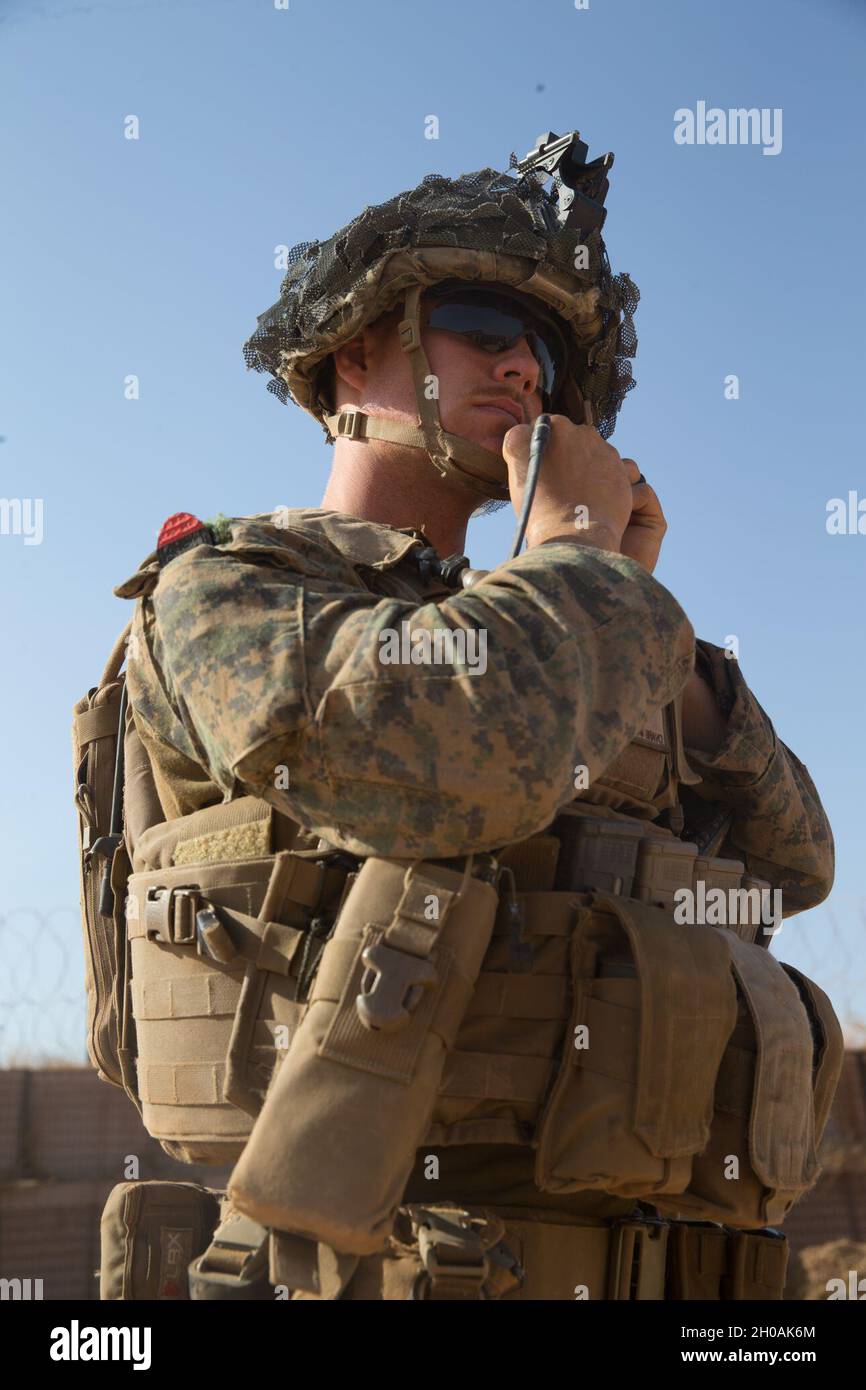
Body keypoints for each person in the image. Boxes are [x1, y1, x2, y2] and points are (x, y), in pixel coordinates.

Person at [111, 132, 840, 1300]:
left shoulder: (572, 634)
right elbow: (454, 763)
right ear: (357, 353)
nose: (525, 373)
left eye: (547, 354)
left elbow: (792, 862)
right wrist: (576, 564)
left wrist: (642, 623)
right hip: (377, 1270)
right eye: (486, 330)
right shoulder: (237, 588)